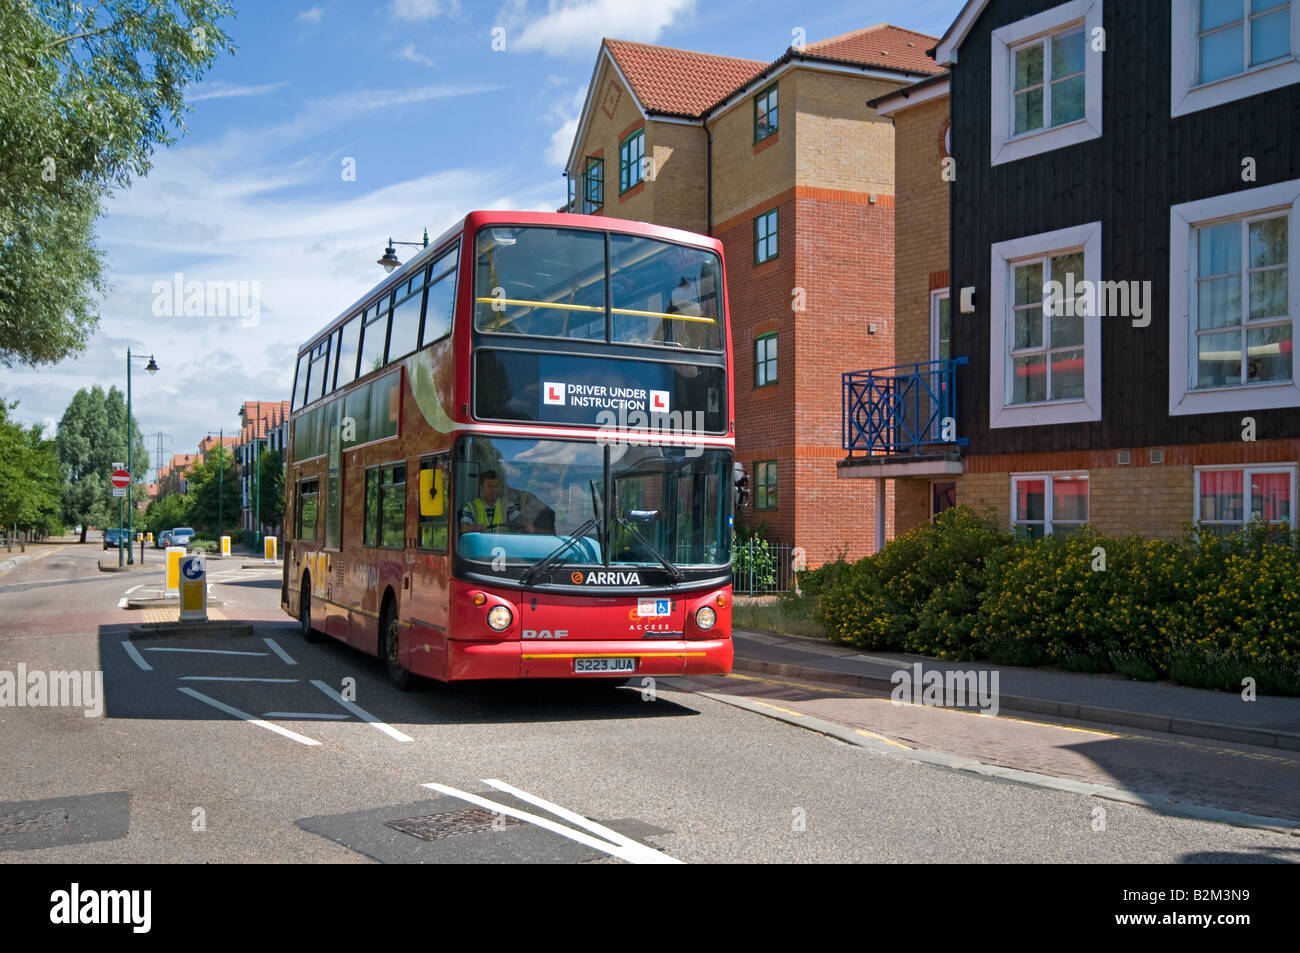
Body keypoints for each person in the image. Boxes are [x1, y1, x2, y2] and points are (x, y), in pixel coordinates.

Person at [460, 470, 532, 533]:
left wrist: (525, 523)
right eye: (490, 486)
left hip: (503, 546)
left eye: (496, 486)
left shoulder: (507, 505)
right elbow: (464, 528)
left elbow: (518, 518)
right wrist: (475, 527)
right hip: (481, 546)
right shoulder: (471, 507)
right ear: (481, 487)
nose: (494, 490)